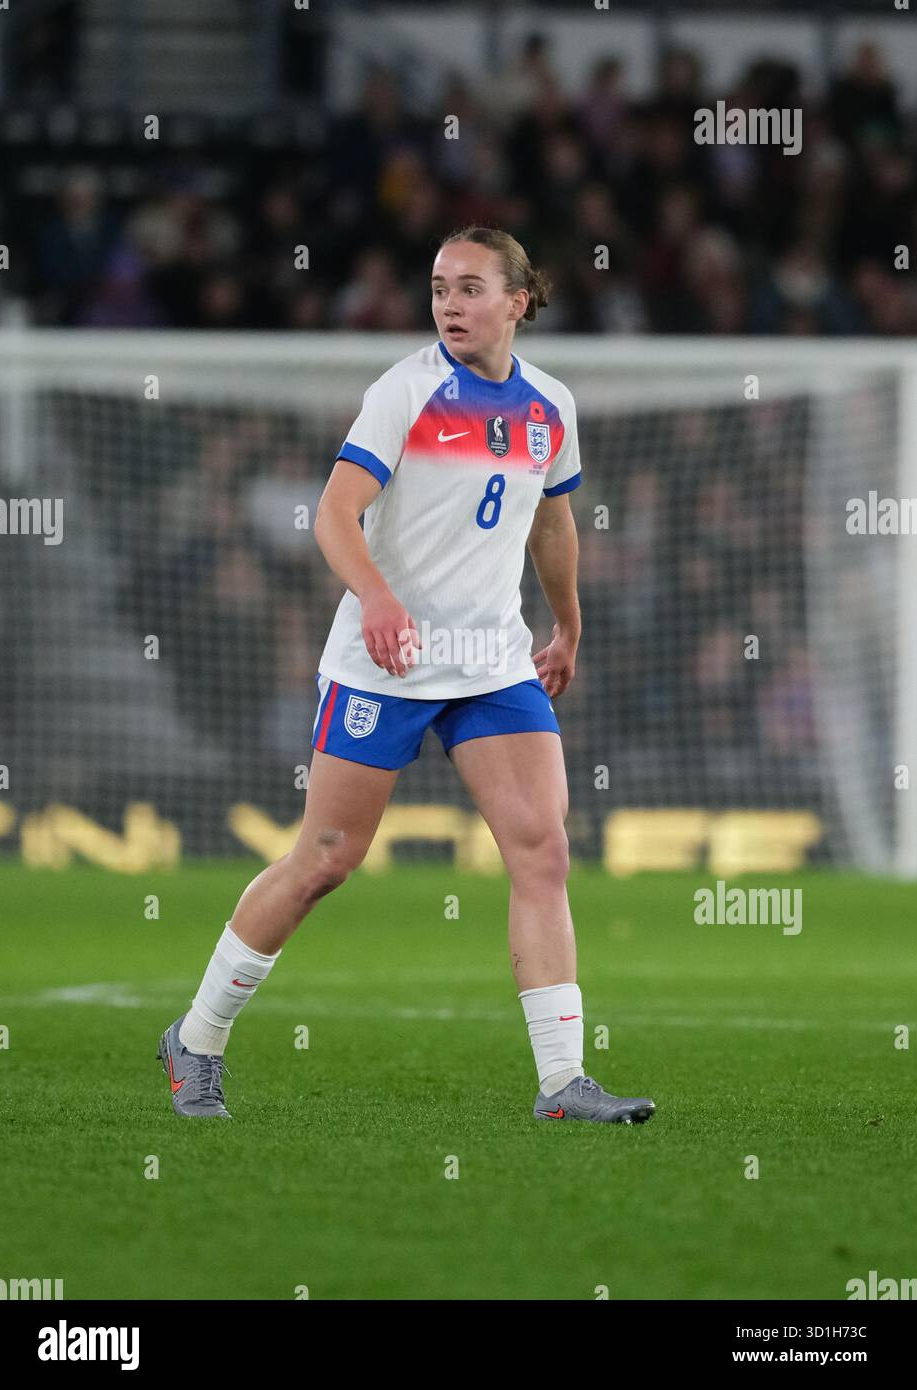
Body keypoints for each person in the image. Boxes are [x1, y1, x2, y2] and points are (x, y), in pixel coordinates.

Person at [157, 225, 655, 1125]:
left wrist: (568, 624)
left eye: (470, 288)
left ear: (518, 301)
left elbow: (550, 524)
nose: (450, 305)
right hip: (383, 664)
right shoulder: (406, 392)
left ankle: (560, 1082)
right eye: (437, 289)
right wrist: (378, 601)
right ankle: (195, 1038)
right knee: (324, 861)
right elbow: (335, 515)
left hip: (492, 663)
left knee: (541, 851)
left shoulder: (550, 405)